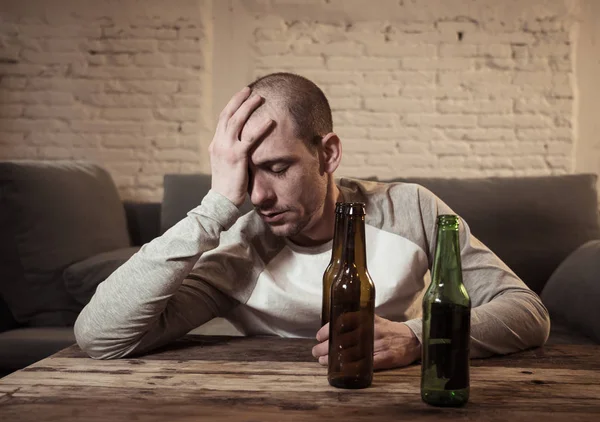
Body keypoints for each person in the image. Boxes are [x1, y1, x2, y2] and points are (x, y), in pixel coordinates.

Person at [74, 72, 550, 370]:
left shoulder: (412, 209)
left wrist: (413, 340)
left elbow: (527, 312)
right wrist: (214, 206)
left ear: (328, 153)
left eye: (278, 168)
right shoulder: (238, 249)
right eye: (245, 174)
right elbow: (100, 337)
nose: (258, 195)